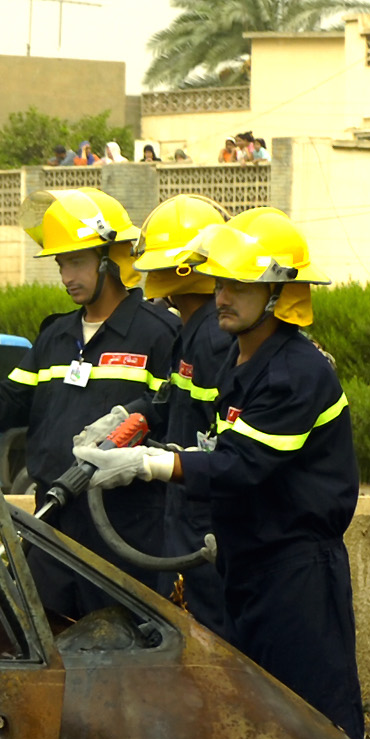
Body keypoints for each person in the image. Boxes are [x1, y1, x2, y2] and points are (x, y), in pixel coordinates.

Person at [77, 208, 365, 739]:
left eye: (240, 286)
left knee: (315, 707)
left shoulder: (295, 373)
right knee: (260, 708)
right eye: (222, 282)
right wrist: (135, 428)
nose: (222, 296)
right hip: (248, 557)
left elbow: (240, 465)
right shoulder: (242, 358)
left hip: (296, 565)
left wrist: (148, 463)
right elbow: (213, 439)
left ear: (279, 294)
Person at [0, 188, 178, 613]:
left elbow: (175, 414)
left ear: (109, 259)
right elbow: (18, 396)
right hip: (51, 522)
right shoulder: (56, 335)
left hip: (125, 528)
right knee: (49, 650)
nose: (66, 276)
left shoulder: (158, 333)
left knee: (122, 652)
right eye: (61, 264)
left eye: (76, 261)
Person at [126, 193, 233, 636]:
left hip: (205, 525)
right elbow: (177, 407)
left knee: (205, 638)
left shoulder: (214, 336)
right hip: (187, 515)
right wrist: (128, 419)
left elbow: (221, 443)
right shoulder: (193, 330)